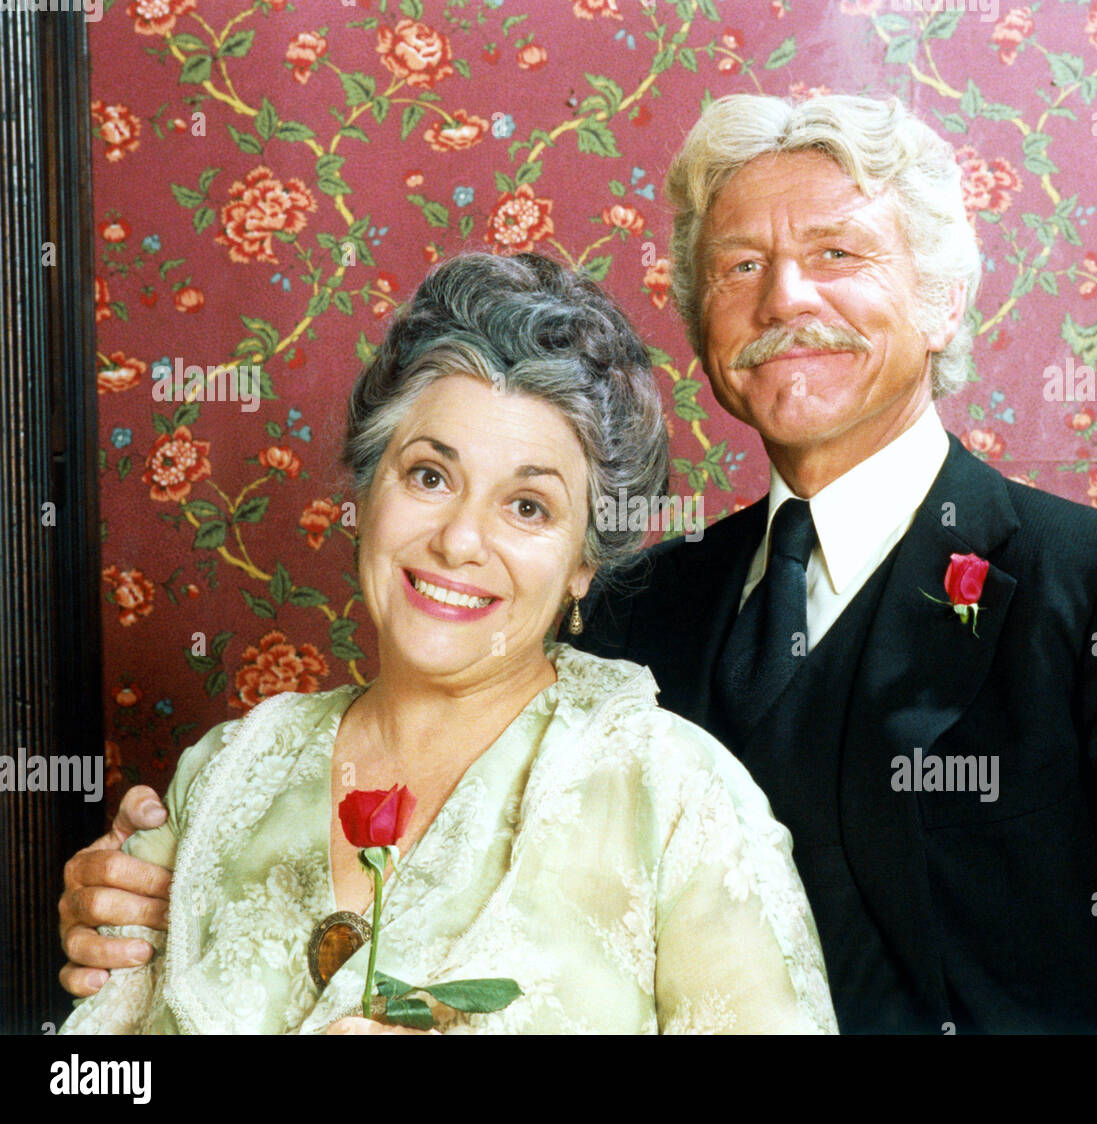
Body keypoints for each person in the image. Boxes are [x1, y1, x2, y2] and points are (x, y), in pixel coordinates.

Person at [63, 93, 1097, 1034]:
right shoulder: (630, 603)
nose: (784, 296)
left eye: (838, 254)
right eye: (739, 266)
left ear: (941, 300)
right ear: (703, 326)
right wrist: (161, 892)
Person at [58, 251, 835, 1034]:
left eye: (528, 507)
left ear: (582, 566)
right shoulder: (223, 776)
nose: (459, 540)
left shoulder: (675, 798)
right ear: (370, 489)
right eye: (430, 476)